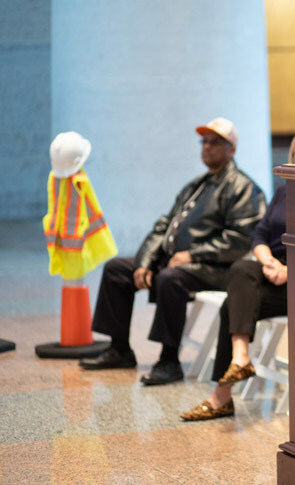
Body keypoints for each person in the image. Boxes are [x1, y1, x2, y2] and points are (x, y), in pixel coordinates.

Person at [79, 118, 266, 386]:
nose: (207, 147)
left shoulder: (243, 187)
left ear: (232, 150)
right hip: (177, 260)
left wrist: (194, 254)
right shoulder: (196, 185)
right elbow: (164, 226)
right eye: (204, 141)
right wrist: (145, 262)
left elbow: (241, 239)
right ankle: (119, 349)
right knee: (117, 269)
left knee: (170, 278)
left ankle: (169, 360)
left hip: (217, 268)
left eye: (215, 142)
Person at [180, 128, 295, 420]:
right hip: (272, 272)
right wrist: (268, 263)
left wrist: (292, 271)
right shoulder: (284, 190)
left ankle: (222, 396)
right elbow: (260, 234)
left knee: (232, 305)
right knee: (241, 270)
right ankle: (239, 358)